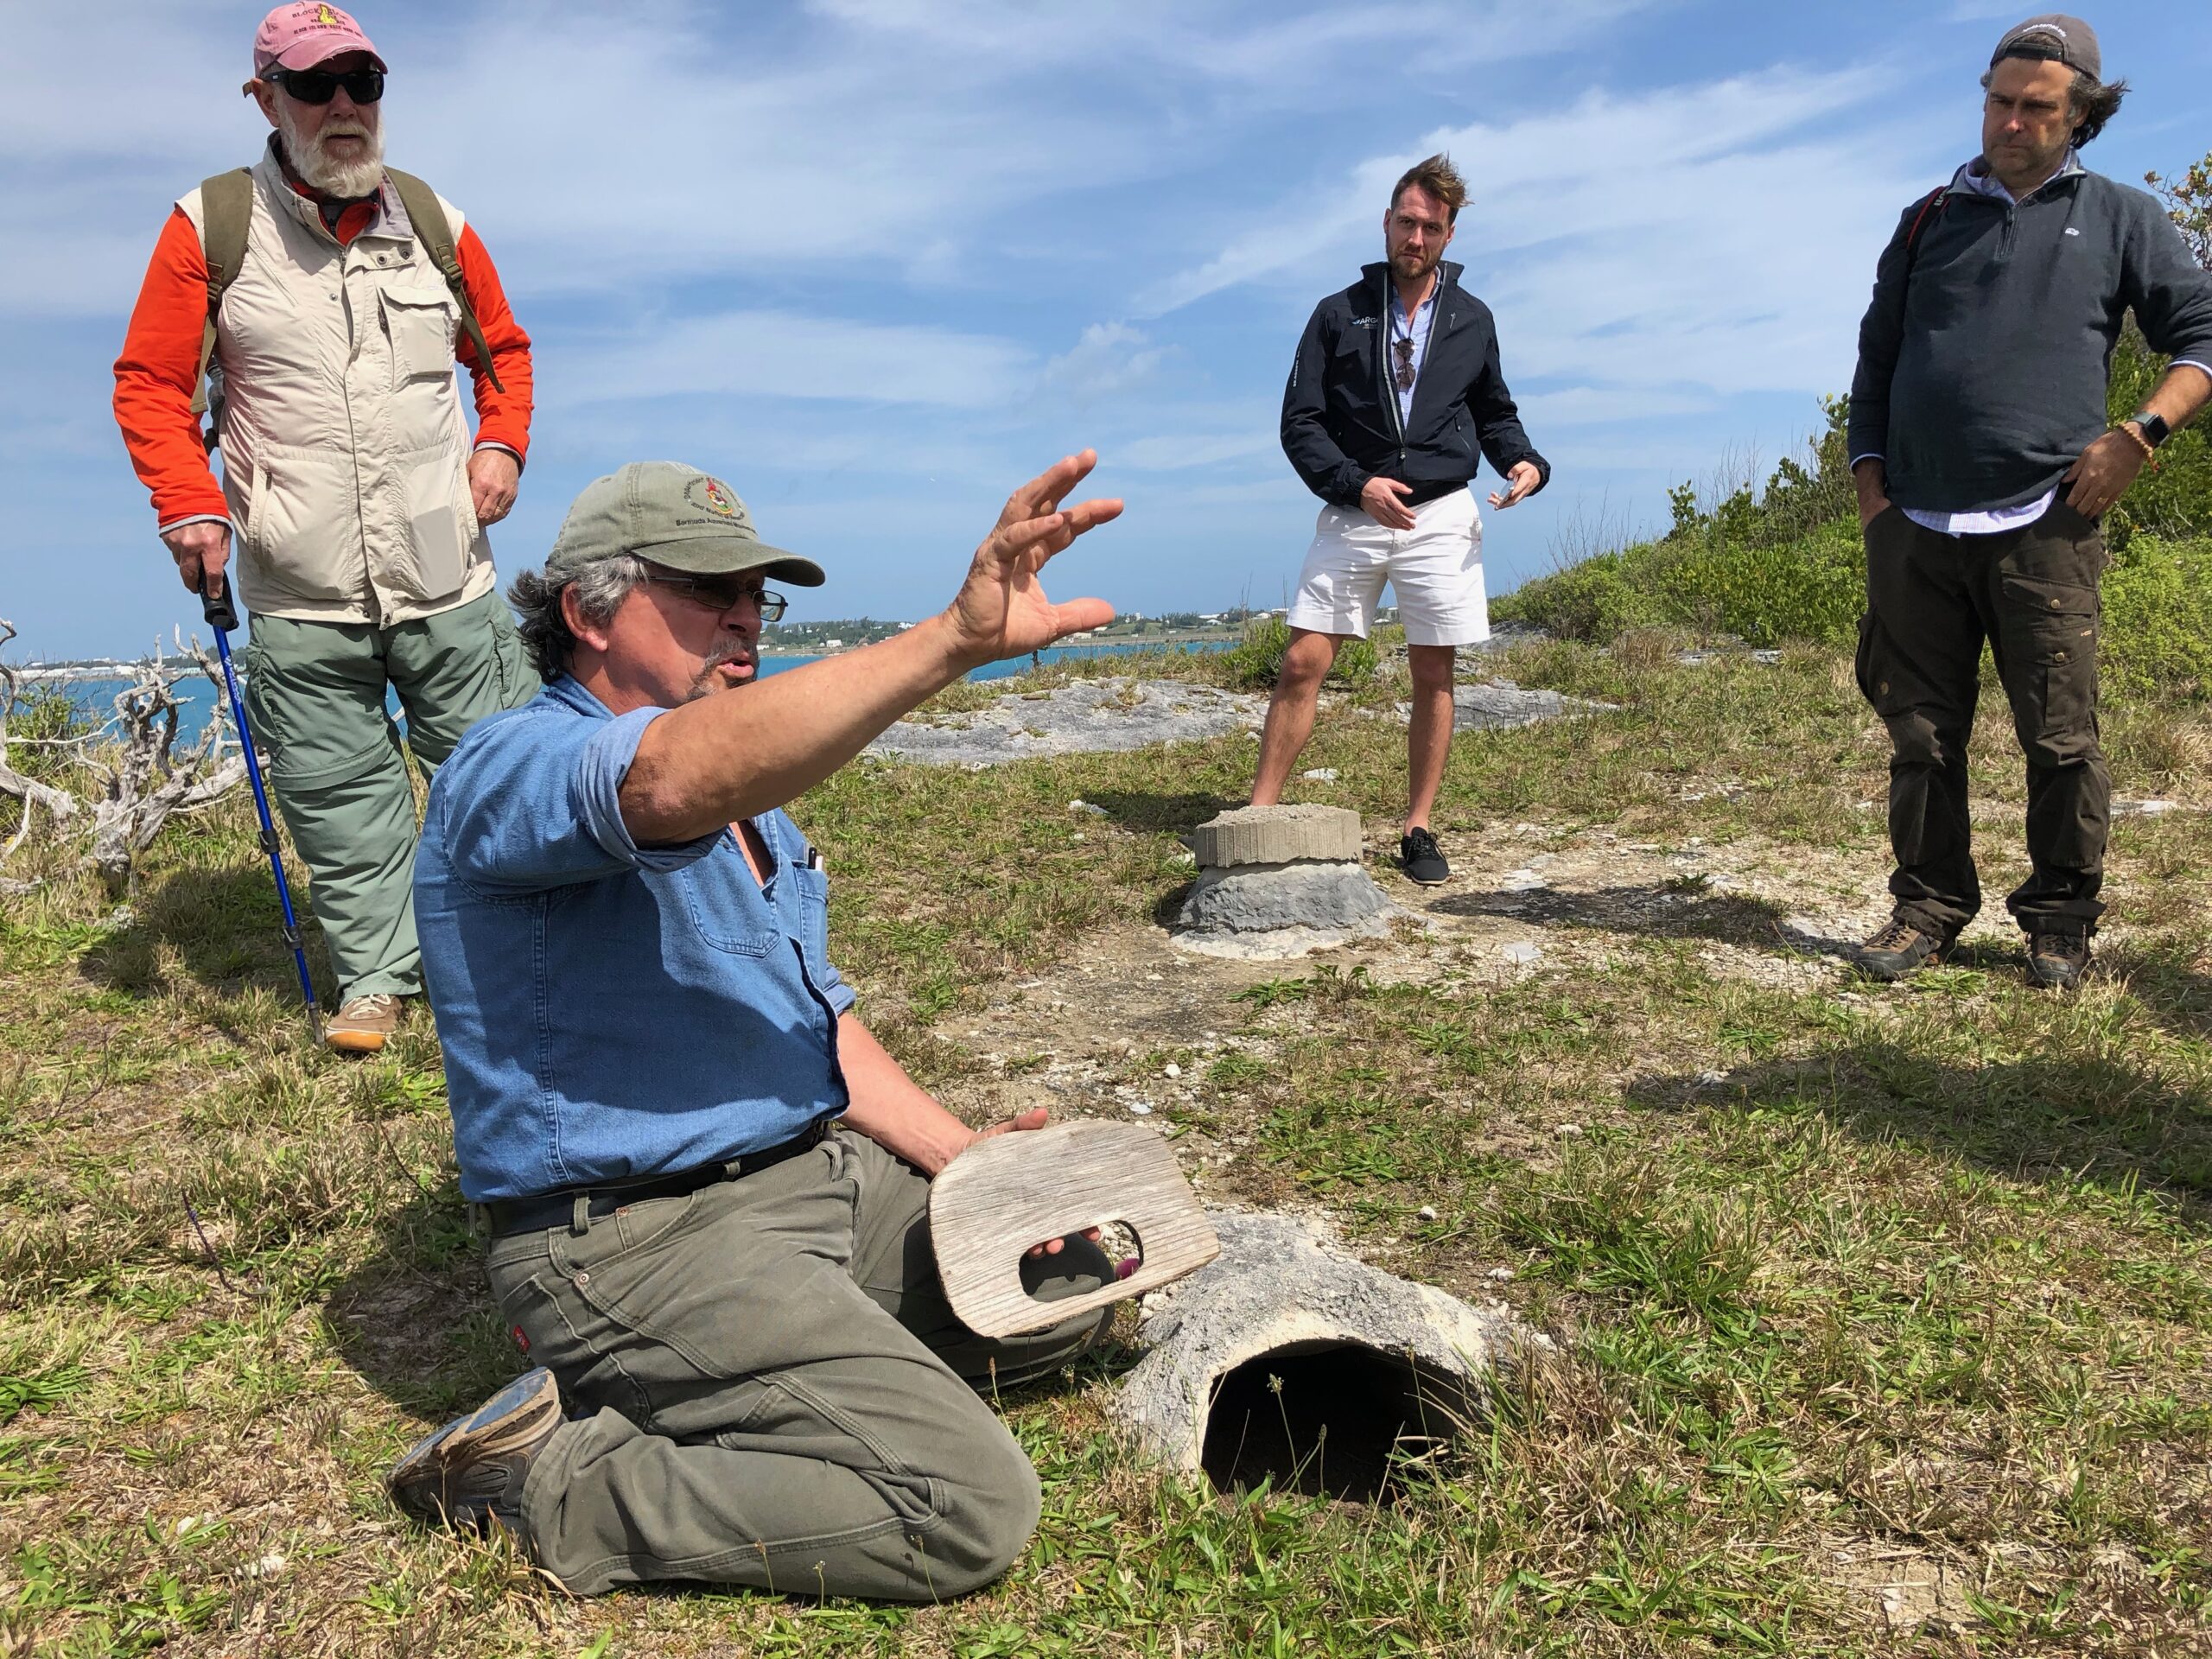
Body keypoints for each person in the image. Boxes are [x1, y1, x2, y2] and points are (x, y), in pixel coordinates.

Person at [392, 456, 1128, 1600]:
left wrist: (968, 1164)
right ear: (588, 612)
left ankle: (741, 1377)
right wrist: (949, 642)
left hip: (816, 1179)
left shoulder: (754, 811)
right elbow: (663, 783)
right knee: (964, 1505)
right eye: (707, 591)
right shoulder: (513, 765)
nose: (744, 620)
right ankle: (545, 1480)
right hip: (641, 1236)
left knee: (1070, 1287)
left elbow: (812, 1019)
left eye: (756, 597)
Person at [112, 3, 537, 1052]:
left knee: (503, 773)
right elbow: (152, 384)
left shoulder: (434, 222)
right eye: (315, 85)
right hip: (297, 581)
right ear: (266, 100)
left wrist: (502, 445)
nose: (344, 105)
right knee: (340, 798)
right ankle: (378, 982)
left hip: (446, 568)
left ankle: (536, 949)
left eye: (363, 83)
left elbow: (504, 356)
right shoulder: (209, 225)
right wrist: (189, 505)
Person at [1847, 13, 2212, 987]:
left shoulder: (2122, 216)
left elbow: (2201, 335)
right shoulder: (1926, 219)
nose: (2010, 122)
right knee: (1920, 736)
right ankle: (1926, 909)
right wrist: (1871, 487)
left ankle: (2059, 923)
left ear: (2080, 114)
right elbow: (1876, 359)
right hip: (1915, 525)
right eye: (1998, 102)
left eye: (2036, 108)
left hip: (2047, 522)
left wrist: (2138, 436)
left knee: (2059, 740)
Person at [1255, 153, 1550, 886]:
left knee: (1433, 670)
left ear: (1449, 235)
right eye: (1407, 223)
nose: (1416, 239)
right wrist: (1356, 486)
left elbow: (1494, 413)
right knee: (1302, 661)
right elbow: (1300, 423)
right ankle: (1256, 815)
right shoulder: (1337, 313)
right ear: (1386, 222)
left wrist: (1524, 462)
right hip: (1354, 510)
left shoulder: (1473, 319)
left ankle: (1417, 829)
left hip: (1442, 513)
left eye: (1431, 228)